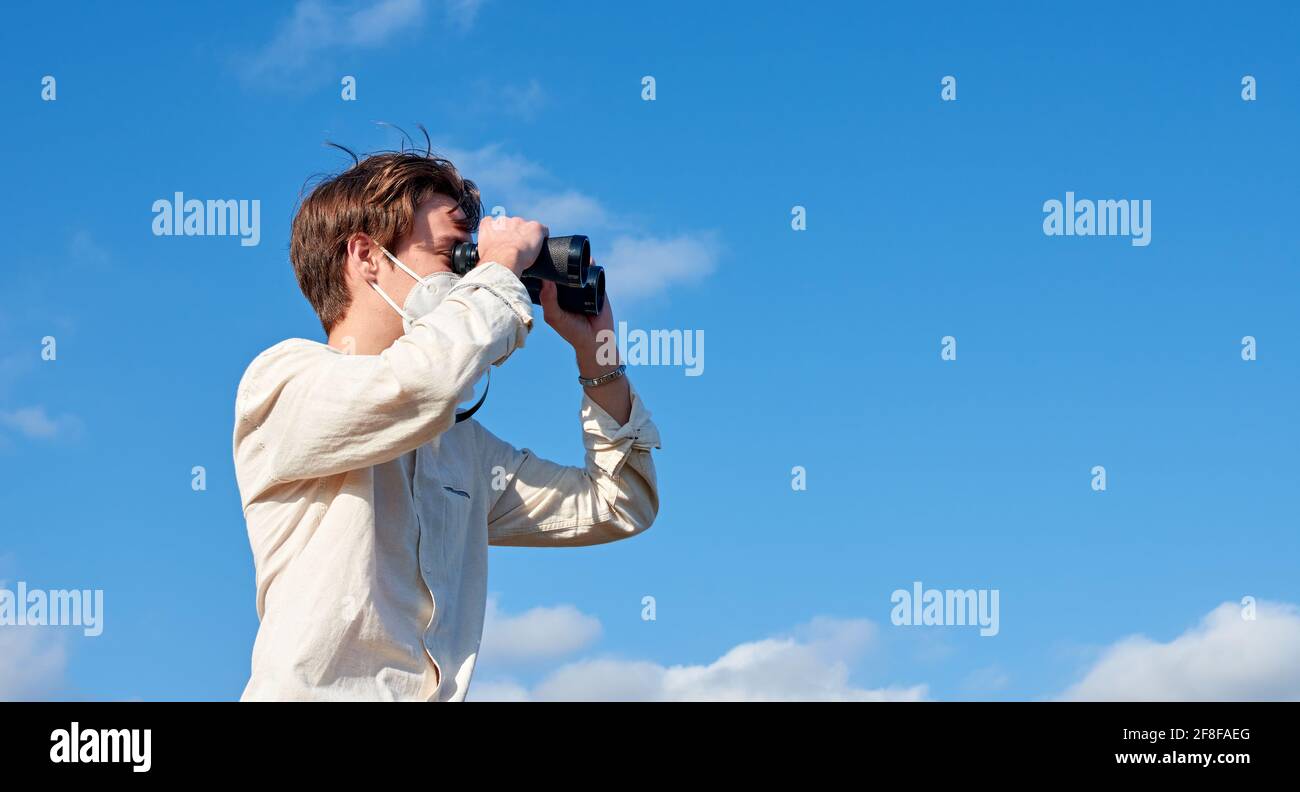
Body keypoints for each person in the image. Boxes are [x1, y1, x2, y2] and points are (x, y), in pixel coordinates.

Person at [232, 149, 661, 701]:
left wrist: (595, 355)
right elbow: (423, 384)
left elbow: (619, 504)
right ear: (367, 255)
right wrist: (499, 269)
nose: (468, 281)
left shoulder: (459, 449)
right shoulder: (281, 384)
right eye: (452, 256)